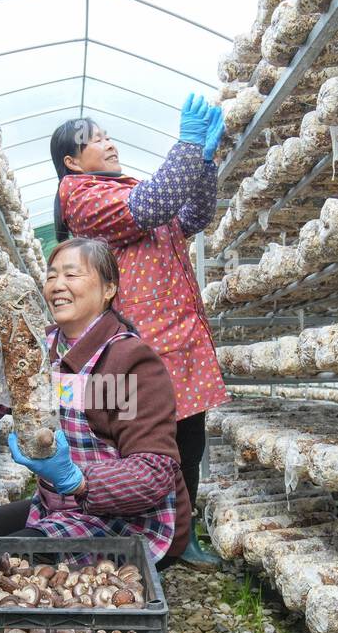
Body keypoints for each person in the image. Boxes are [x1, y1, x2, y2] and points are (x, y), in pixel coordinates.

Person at [50, 94, 229, 567]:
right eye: (95, 140)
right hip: (143, 340)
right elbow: (152, 206)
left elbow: (191, 217)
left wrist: (204, 164)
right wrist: (187, 146)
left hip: (179, 332)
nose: (109, 143)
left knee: (189, 438)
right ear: (72, 161)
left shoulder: (129, 186)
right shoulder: (82, 196)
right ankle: (139, 530)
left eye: (109, 135)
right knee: (146, 446)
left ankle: (180, 535)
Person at [0, 237, 190, 569]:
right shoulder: (41, 344)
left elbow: (154, 473)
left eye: (71, 275)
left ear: (109, 289)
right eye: (51, 276)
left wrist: (76, 478)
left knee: (10, 561)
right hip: (60, 504)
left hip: (128, 517)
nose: (57, 285)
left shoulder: (130, 359)